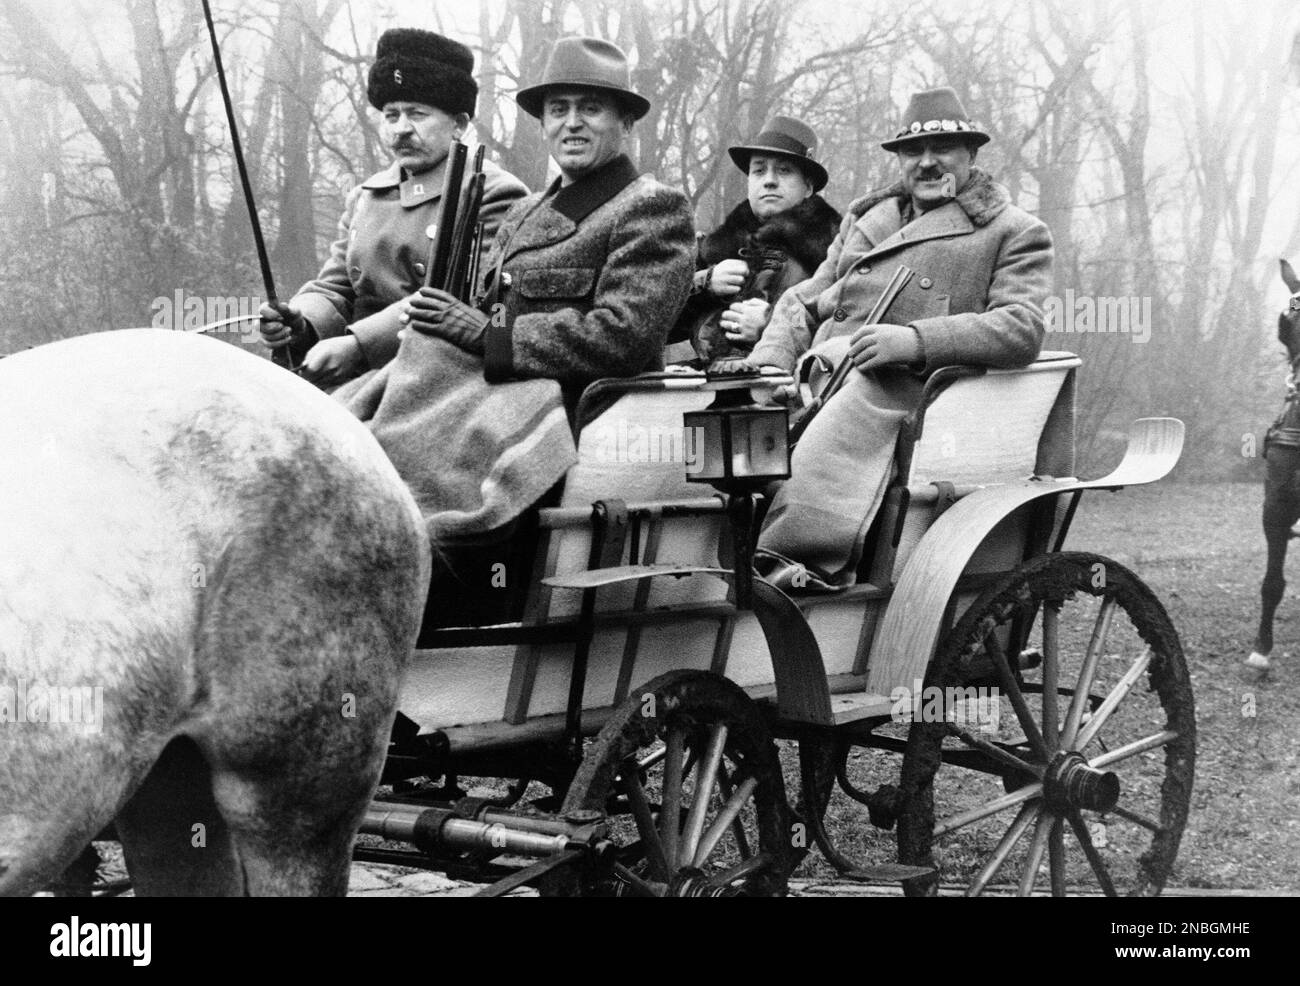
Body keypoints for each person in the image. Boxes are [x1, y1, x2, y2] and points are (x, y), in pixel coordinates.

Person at [354, 35, 696, 626]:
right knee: (369, 430)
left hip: (570, 409)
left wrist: (489, 336)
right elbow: (482, 310)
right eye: (558, 110)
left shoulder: (651, 208)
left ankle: (429, 587)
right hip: (487, 393)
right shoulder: (526, 212)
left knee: (430, 498)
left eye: (590, 108)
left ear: (624, 121)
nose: (572, 124)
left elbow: (627, 335)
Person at [747, 86, 1054, 590]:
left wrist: (914, 341)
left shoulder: (1012, 231)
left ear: (971, 155)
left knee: (844, 422)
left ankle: (793, 567)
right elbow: (805, 299)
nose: (927, 164)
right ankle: (701, 572)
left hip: (911, 397)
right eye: (913, 152)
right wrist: (769, 367)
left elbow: (1021, 328)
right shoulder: (869, 220)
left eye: (943, 150)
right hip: (817, 380)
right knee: (726, 425)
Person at [258, 28, 529, 387]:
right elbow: (337, 288)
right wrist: (301, 322)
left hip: (435, 370)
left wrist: (359, 345)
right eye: (391, 115)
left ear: (459, 124)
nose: (401, 129)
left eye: (417, 114)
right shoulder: (366, 196)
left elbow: (462, 303)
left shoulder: (491, 193)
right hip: (352, 363)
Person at [671, 116, 841, 364]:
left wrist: (770, 326)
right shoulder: (714, 249)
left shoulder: (834, 253)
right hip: (706, 387)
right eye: (759, 170)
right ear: (749, 182)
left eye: (784, 170)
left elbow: (846, 332)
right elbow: (655, 324)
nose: (769, 180)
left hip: (790, 389)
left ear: (808, 187)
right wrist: (704, 283)